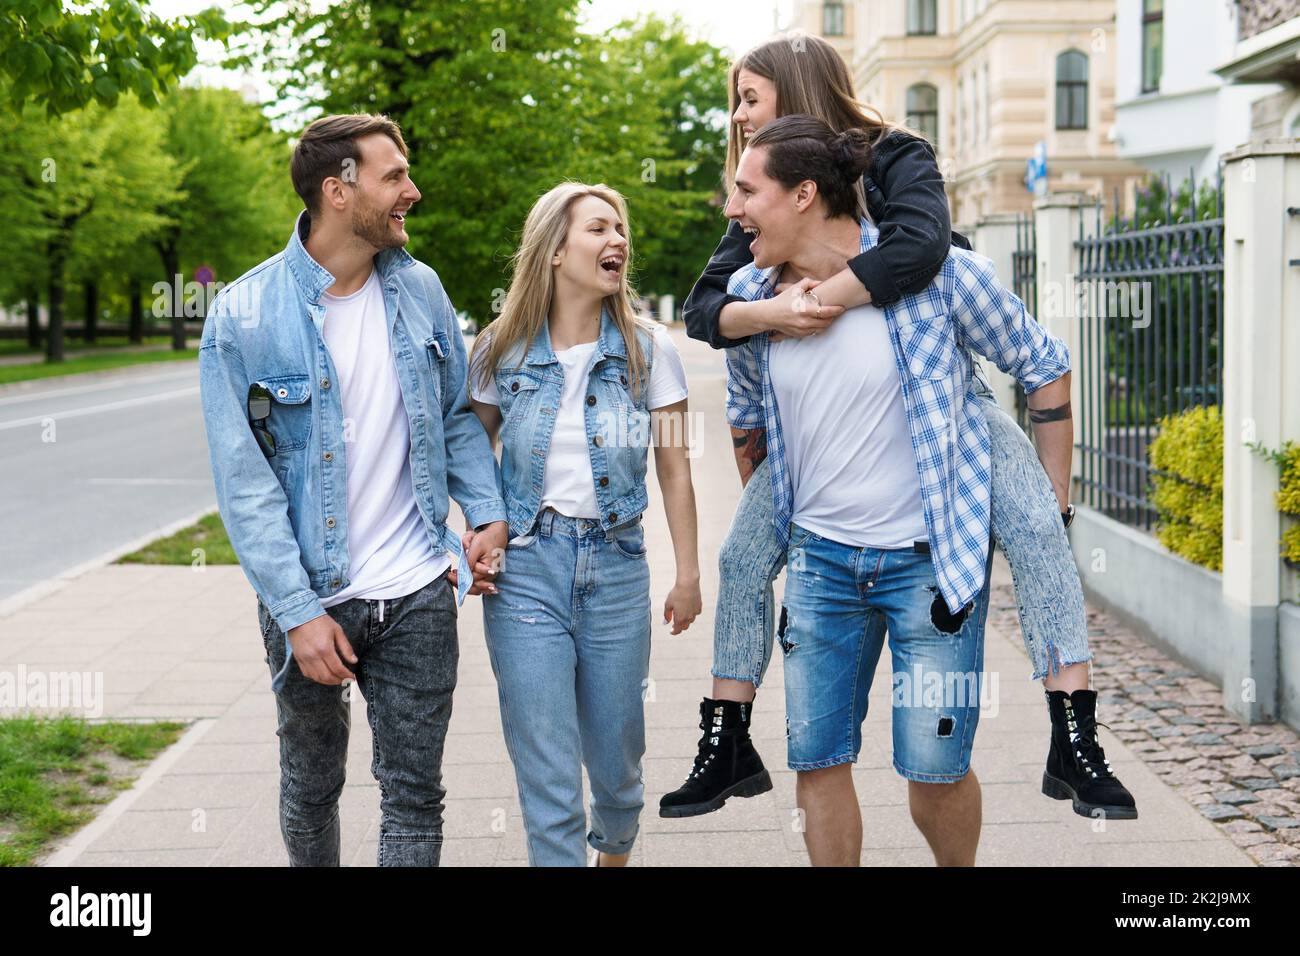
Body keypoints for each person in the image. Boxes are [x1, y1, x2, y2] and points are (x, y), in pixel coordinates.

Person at [662, 34, 1135, 825]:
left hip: (945, 403)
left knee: (1038, 522)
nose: (738, 118)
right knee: (745, 551)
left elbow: (922, 248)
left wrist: (830, 298)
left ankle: (1074, 733)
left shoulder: (898, 157)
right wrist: (775, 311)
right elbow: (707, 313)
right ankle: (726, 738)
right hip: (826, 541)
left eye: (750, 99)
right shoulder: (757, 244)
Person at [199, 113, 509, 866]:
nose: (414, 190)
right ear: (339, 191)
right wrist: (299, 613)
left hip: (416, 590)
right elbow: (246, 487)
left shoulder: (422, 289)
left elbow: (454, 416)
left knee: (413, 793)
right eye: (394, 176)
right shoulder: (242, 315)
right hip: (310, 595)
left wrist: (488, 513)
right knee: (310, 788)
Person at [468, 182, 702, 866]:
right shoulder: (497, 350)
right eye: (600, 228)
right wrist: (475, 531)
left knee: (618, 764)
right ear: (554, 250)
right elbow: (467, 452)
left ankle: (615, 851)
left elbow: (678, 466)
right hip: (527, 574)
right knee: (546, 770)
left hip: (617, 569)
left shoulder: (652, 352)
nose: (618, 242)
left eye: (620, 229)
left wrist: (687, 575)